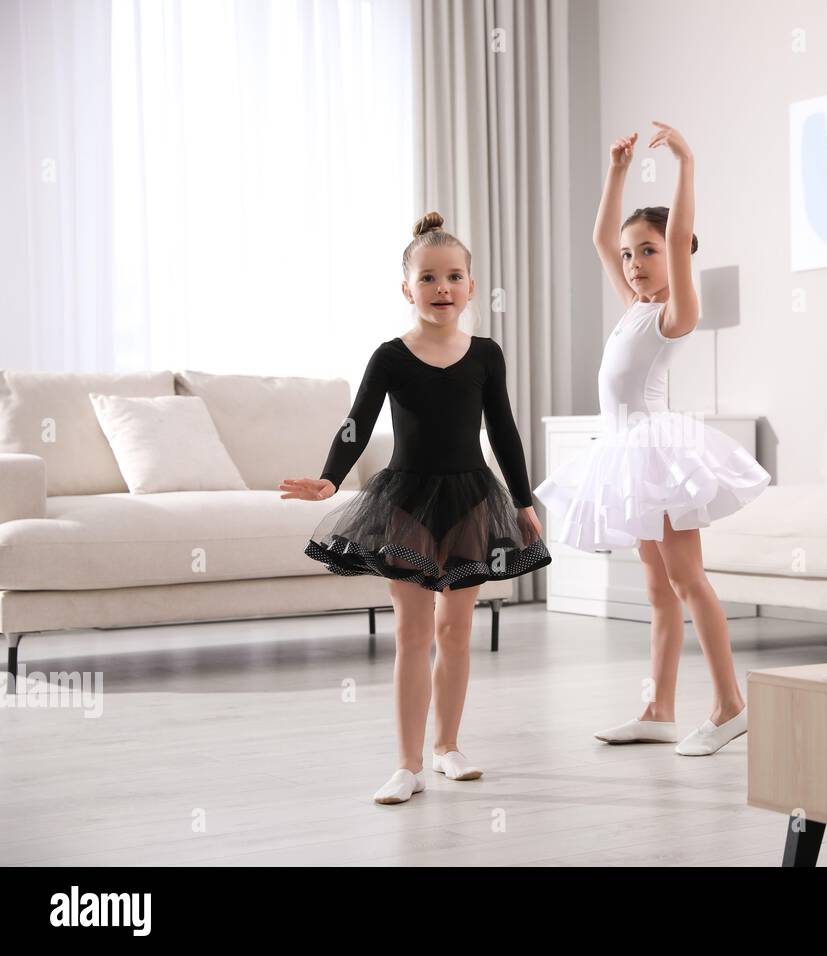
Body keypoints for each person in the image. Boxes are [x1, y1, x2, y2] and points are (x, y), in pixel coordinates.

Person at [281, 211, 551, 803]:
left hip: (471, 500)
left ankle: (447, 747)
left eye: (454, 276)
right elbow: (358, 425)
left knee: (456, 633)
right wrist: (330, 481)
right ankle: (406, 764)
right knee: (413, 634)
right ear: (408, 289)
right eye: (428, 278)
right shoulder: (391, 356)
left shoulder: (486, 355)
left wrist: (524, 501)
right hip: (404, 503)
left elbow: (504, 432)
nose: (442, 288)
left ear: (471, 286)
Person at [533, 122, 770, 756]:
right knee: (656, 588)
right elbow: (598, 240)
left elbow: (675, 232)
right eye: (632, 253)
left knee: (688, 579)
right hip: (623, 454)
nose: (635, 262)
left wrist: (686, 164)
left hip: (657, 452)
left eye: (650, 251)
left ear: (679, 254)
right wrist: (616, 171)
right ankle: (659, 708)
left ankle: (730, 706)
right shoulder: (635, 306)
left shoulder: (675, 314)